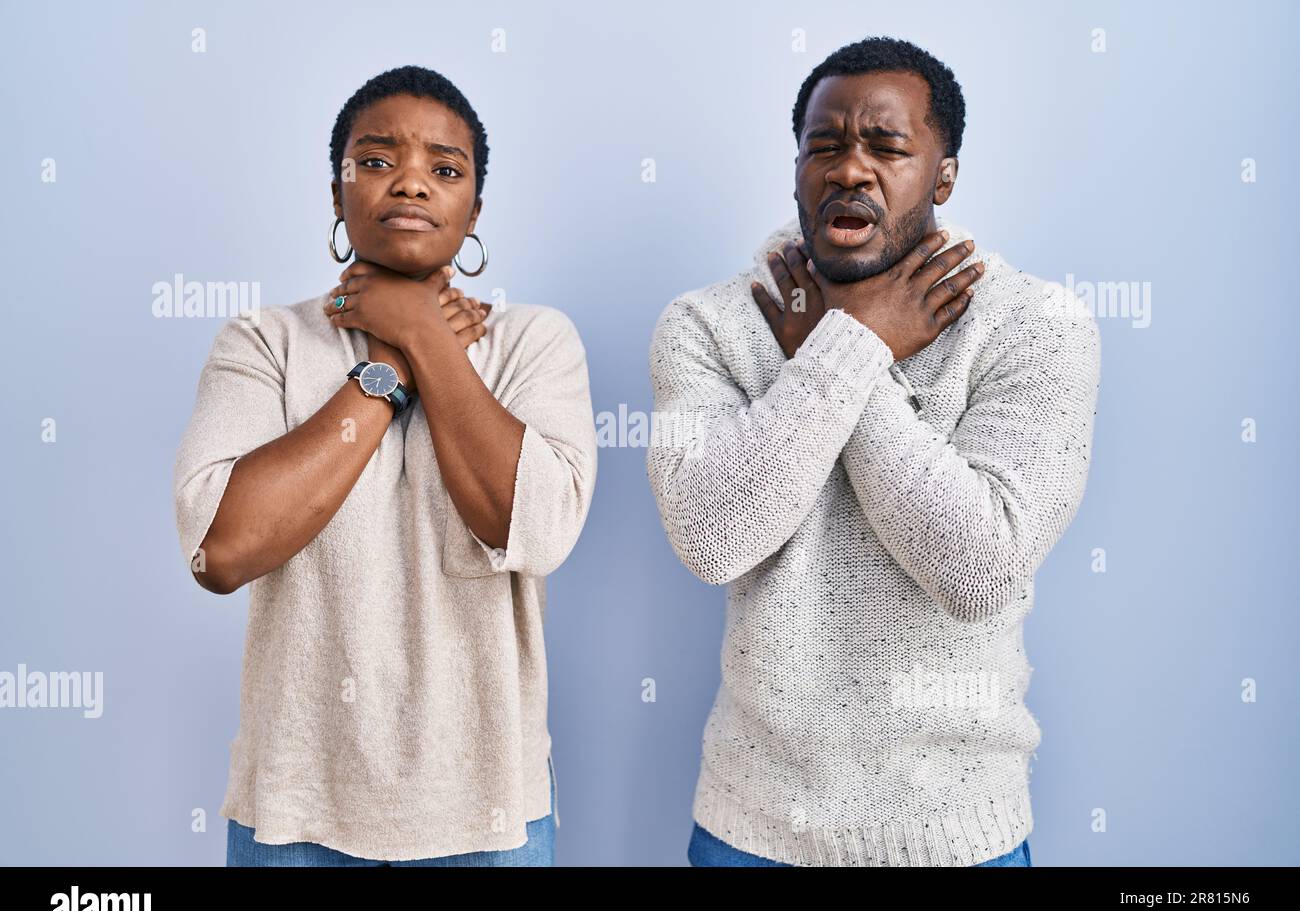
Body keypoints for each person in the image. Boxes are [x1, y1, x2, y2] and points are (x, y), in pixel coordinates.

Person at [646, 36, 1101, 866]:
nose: (851, 170)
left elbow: (980, 571)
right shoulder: (708, 325)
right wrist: (858, 343)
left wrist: (832, 344)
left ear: (943, 176)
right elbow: (711, 539)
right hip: (753, 833)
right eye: (825, 146)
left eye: (887, 147)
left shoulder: (1039, 326)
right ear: (796, 172)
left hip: (961, 839)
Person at [173, 65, 597, 866]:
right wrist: (388, 372)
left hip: (488, 818)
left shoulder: (534, 343)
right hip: (293, 816)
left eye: (445, 169)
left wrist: (427, 337)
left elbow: (536, 529)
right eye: (375, 161)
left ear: (475, 210)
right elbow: (221, 551)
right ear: (336, 195)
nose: (409, 182)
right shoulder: (265, 342)